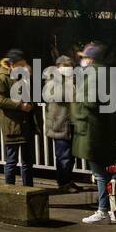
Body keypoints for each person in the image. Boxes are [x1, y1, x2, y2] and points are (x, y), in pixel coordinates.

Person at [71, 43, 116, 223]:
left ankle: (103, 209)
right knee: (110, 172)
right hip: (107, 128)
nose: (82, 60)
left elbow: (91, 102)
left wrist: (78, 105)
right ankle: (113, 210)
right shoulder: (107, 72)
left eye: (84, 57)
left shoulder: (92, 75)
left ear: (90, 59)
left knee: (99, 173)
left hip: (93, 129)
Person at [0, 48, 41, 186]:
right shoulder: (2, 79)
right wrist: (19, 105)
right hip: (12, 125)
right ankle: (10, 192)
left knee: (27, 162)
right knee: (11, 162)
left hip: (27, 126)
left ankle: (28, 190)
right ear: (12, 64)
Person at [44, 55, 79, 192]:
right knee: (63, 156)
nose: (70, 69)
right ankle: (63, 183)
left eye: (71, 66)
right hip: (59, 123)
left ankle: (68, 180)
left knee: (71, 156)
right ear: (59, 67)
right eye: (67, 66)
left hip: (71, 123)